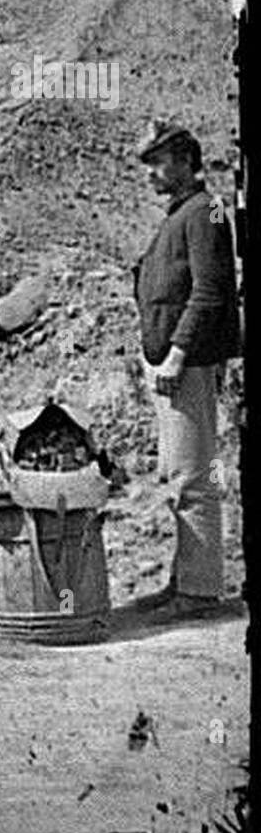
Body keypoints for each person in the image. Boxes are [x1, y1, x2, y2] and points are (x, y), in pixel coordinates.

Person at [132, 120, 240, 617]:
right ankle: (186, 583)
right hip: (174, 365)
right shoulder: (185, 212)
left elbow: (210, 290)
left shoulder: (208, 210)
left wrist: (175, 353)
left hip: (188, 365)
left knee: (194, 480)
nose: (151, 172)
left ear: (182, 159)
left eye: (157, 161)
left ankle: (198, 594)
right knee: (181, 474)